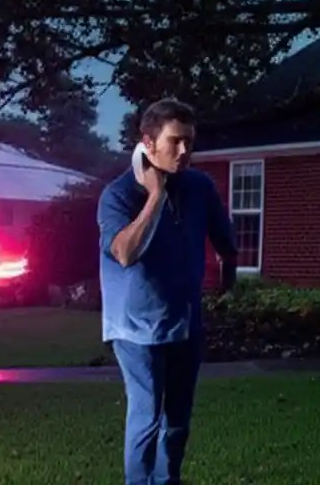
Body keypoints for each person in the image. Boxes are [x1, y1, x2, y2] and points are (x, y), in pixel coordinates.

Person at [97, 98, 236, 484]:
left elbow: (225, 239)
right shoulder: (119, 194)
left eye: (189, 142)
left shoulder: (199, 186)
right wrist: (155, 196)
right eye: (175, 141)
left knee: (177, 420)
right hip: (134, 328)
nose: (184, 151)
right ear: (148, 142)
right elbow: (125, 252)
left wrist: (229, 271)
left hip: (184, 321)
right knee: (146, 415)